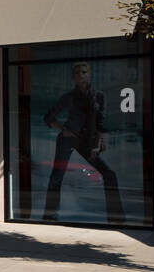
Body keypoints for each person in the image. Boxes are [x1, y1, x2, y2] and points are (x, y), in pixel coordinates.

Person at [42, 62, 125, 225]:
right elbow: (48, 117)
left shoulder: (99, 96)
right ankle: (49, 214)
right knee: (56, 176)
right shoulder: (69, 97)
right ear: (73, 78)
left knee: (109, 174)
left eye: (84, 72)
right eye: (77, 73)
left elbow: (101, 122)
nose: (81, 75)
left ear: (90, 74)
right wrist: (62, 129)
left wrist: (99, 142)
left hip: (86, 141)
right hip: (68, 139)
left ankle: (116, 218)